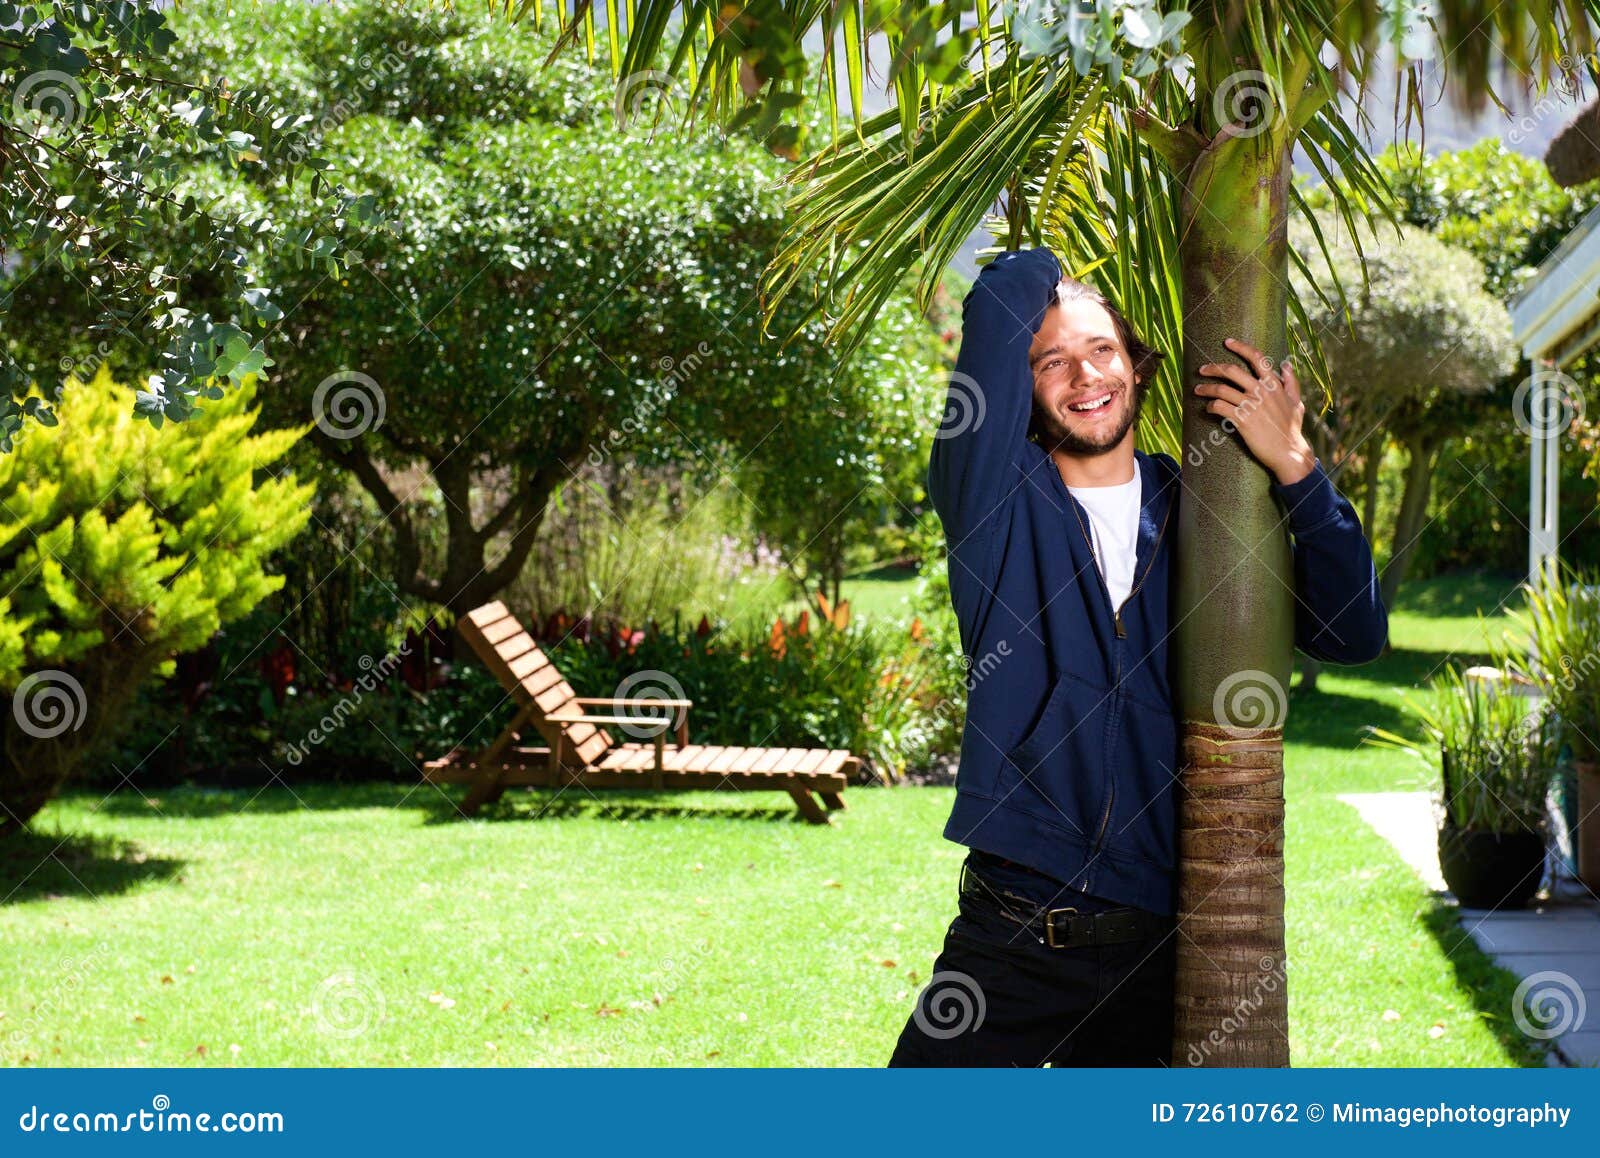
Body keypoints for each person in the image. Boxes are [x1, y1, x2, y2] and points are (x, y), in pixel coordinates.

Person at [888, 246, 1387, 1067]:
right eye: (1051, 361)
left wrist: (1296, 466)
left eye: (1102, 350)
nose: (1084, 376)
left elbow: (1354, 632)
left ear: (1136, 366)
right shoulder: (993, 499)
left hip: (1162, 950)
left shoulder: (1204, 507)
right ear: (1022, 386)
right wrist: (1049, 251)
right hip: (1013, 934)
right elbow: (993, 306)